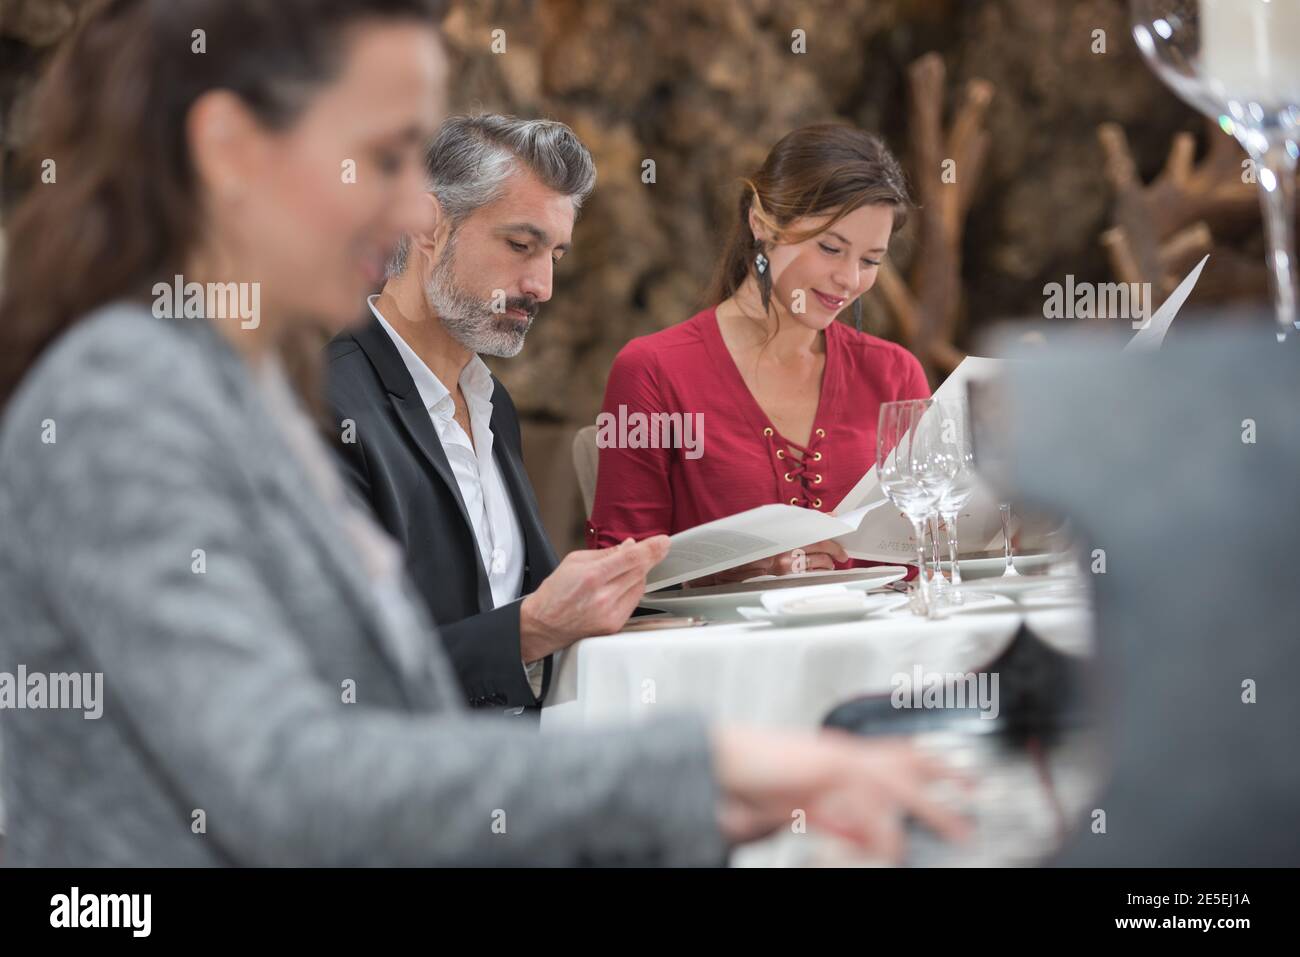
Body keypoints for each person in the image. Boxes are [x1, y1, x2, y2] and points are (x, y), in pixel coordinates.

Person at [0, 0, 966, 865]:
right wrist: (705, 766)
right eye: (382, 160)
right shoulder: (121, 400)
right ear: (229, 150)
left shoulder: (241, 385)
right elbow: (291, 784)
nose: (411, 211)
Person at [326, 114, 652, 714]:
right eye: (520, 245)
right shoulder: (327, 405)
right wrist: (530, 629)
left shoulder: (492, 404)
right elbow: (342, 675)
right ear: (427, 225)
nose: (542, 285)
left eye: (555, 253)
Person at [587, 125, 931, 582]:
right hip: (723, 651)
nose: (850, 280)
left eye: (870, 261)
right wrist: (744, 567)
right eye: (830, 248)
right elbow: (617, 570)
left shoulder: (894, 374)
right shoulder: (652, 371)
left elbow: (929, 557)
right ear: (762, 223)